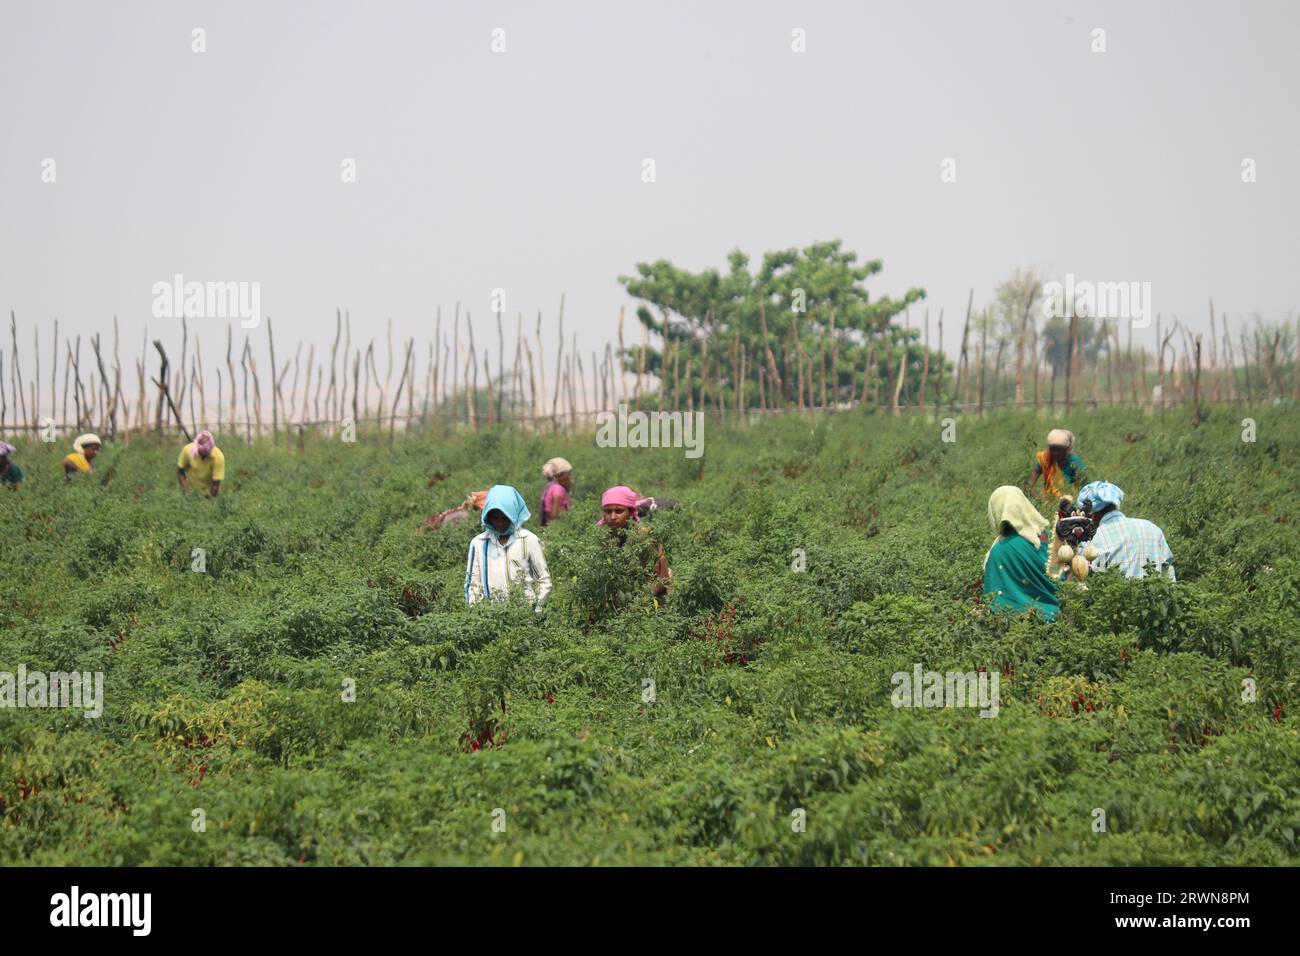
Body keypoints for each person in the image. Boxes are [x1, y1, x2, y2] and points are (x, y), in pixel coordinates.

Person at [464, 484, 552, 610]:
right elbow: (473, 584)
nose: (500, 523)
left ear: (513, 515)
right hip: (491, 616)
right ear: (488, 517)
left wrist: (535, 609)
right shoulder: (479, 543)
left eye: (505, 518)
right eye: (495, 518)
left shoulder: (528, 540)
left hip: (525, 614)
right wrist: (478, 614)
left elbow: (543, 579)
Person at [983, 485, 1059, 621]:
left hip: (1018, 624)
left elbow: (994, 599)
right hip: (1058, 615)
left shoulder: (999, 551)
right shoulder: (1047, 537)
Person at [1077, 481, 1175, 580]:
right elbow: (1168, 570)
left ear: (1091, 512)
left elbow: (1088, 579)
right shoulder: (1152, 528)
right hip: (1156, 594)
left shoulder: (1096, 539)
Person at [598, 485, 671, 600]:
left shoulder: (645, 538)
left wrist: (638, 603)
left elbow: (662, 578)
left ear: (631, 512)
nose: (612, 517)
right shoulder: (604, 541)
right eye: (608, 511)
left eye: (619, 511)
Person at [1027, 429, 1086, 500]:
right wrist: (1040, 499)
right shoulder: (1046, 459)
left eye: (1059, 449)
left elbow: (1085, 491)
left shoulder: (1076, 463)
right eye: (1052, 449)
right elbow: (1029, 485)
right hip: (1047, 502)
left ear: (1067, 449)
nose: (1055, 453)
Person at [177, 430, 225, 497]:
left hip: (210, 492)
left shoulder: (218, 457)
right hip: (191, 492)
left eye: (206, 455)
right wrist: (186, 490)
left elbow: (216, 483)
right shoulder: (188, 450)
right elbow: (180, 471)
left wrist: (209, 499)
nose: (203, 457)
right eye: (201, 454)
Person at [539, 457, 572, 527]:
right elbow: (554, 515)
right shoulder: (558, 489)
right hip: (555, 529)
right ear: (559, 475)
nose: (569, 477)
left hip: (546, 528)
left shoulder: (549, 487)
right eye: (567, 474)